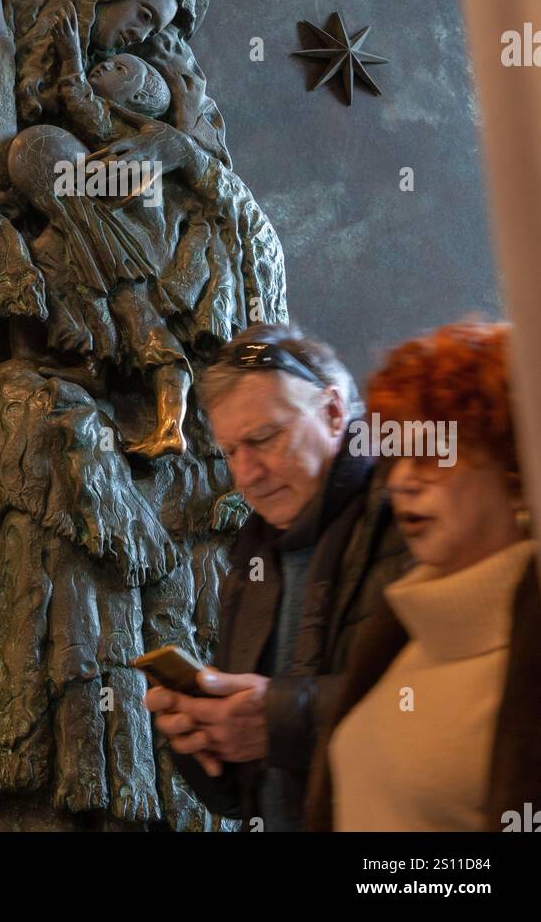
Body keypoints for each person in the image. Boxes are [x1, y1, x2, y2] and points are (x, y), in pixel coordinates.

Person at [144, 322, 407, 830]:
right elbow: (241, 800)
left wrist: (282, 722)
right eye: (230, 453)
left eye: (264, 439)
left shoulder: (406, 520)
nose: (246, 475)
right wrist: (202, 739)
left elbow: (440, 709)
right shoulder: (254, 555)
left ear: (333, 413)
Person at [306, 321, 541, 832]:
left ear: (515, 473)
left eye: (435, 453)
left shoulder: (517, 656)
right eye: (399, 455)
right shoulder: (401, 637)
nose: (404, 481)